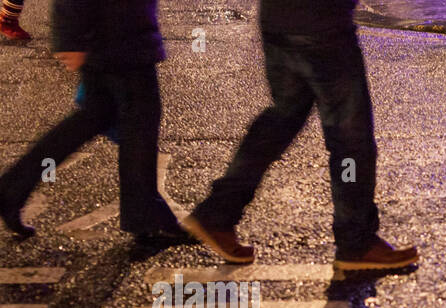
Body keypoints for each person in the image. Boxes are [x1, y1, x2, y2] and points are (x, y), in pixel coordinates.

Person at [183, 0, 418, 272]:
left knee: (281, 120)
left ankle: (217, 212)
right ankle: (357, 241)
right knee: (350, 145)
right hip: (323, 30)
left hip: (278, 24)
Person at [0, 0, 190, 245]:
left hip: (115, 33)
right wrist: (70, 37)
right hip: (118, 36)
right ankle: (145, 216)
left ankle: (11, 190)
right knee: (139, 123)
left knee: (94, 117)